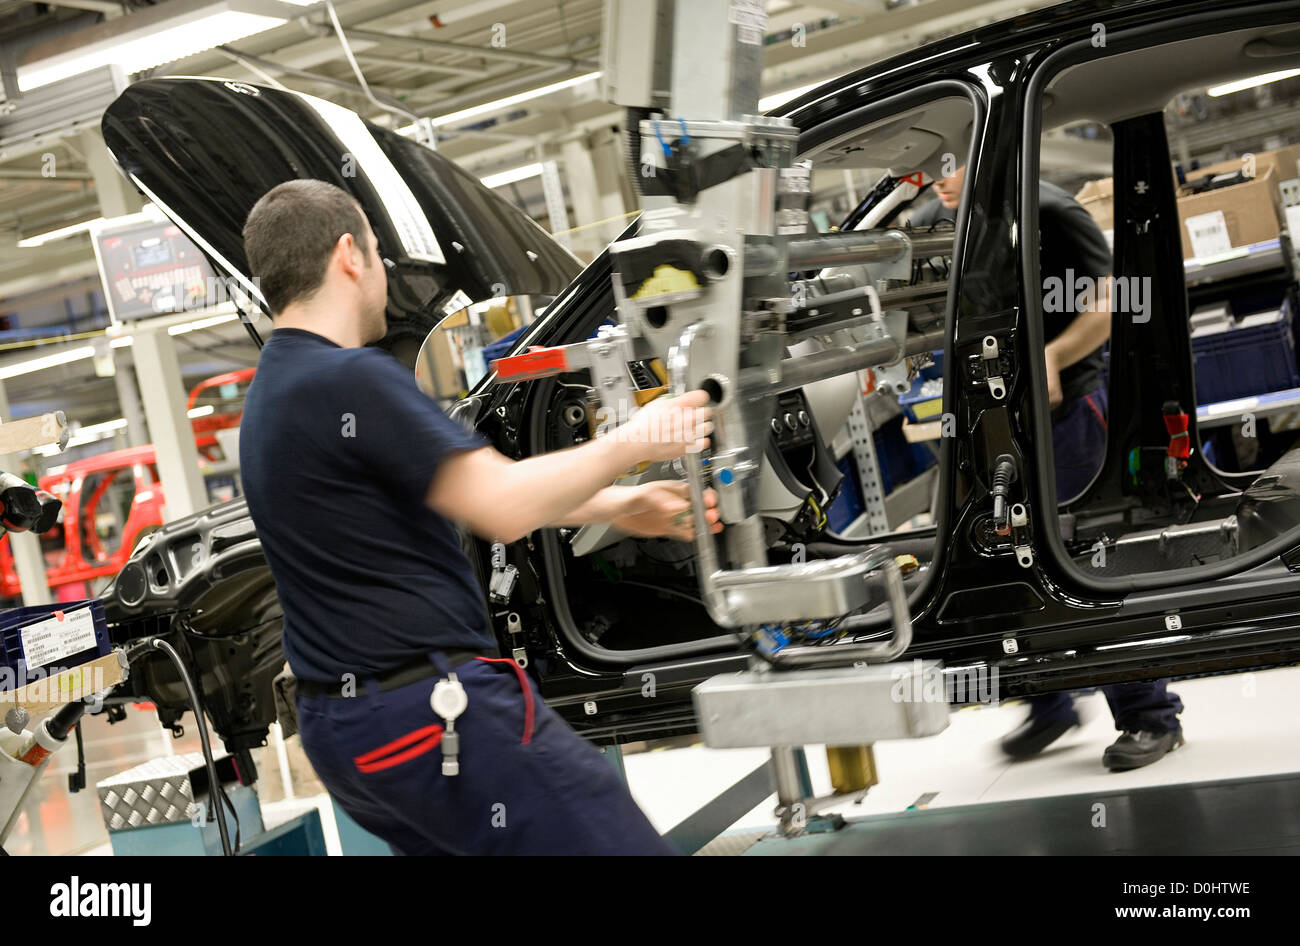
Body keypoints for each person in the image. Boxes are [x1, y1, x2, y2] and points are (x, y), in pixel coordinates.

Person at [239, 179, 723, 854]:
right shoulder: (350, 379)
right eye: (378, 253)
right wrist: (639, 439)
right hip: (433, 715)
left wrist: (617, 504)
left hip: (349, 737)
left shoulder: (275, 391)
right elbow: (501, 507)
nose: (384, 275)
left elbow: (461, 490)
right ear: (350, 255)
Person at [911, 166, 1184, 771]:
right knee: (997, 563)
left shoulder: (1053, 212)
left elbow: (1112, 302)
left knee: (1086, 560)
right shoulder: (935, 223)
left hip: (1065, 415)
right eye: (933, 173)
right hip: (985, 421)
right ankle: (1048, 701)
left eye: (954, 164)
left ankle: (1149, 714)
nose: (940, 182)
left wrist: (1053, 355)